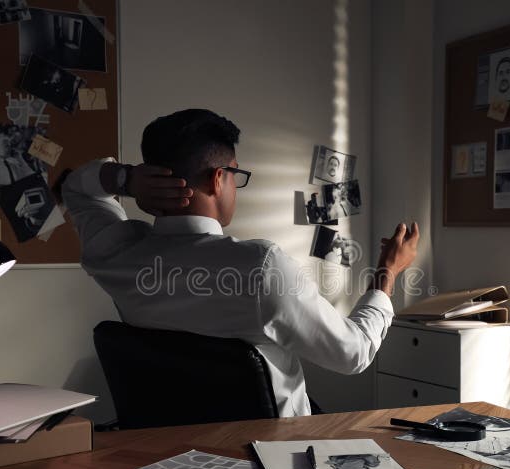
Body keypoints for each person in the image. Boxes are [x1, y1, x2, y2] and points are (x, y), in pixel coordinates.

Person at [62, 108, 419, 417]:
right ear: (218, 179)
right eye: (236, 174)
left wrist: (124, 179)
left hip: (178, 454)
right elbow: (353, 353)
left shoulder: (118, 255)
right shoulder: (259, 268)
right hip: (276, 455)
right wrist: (388, 272)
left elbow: (76, 189)